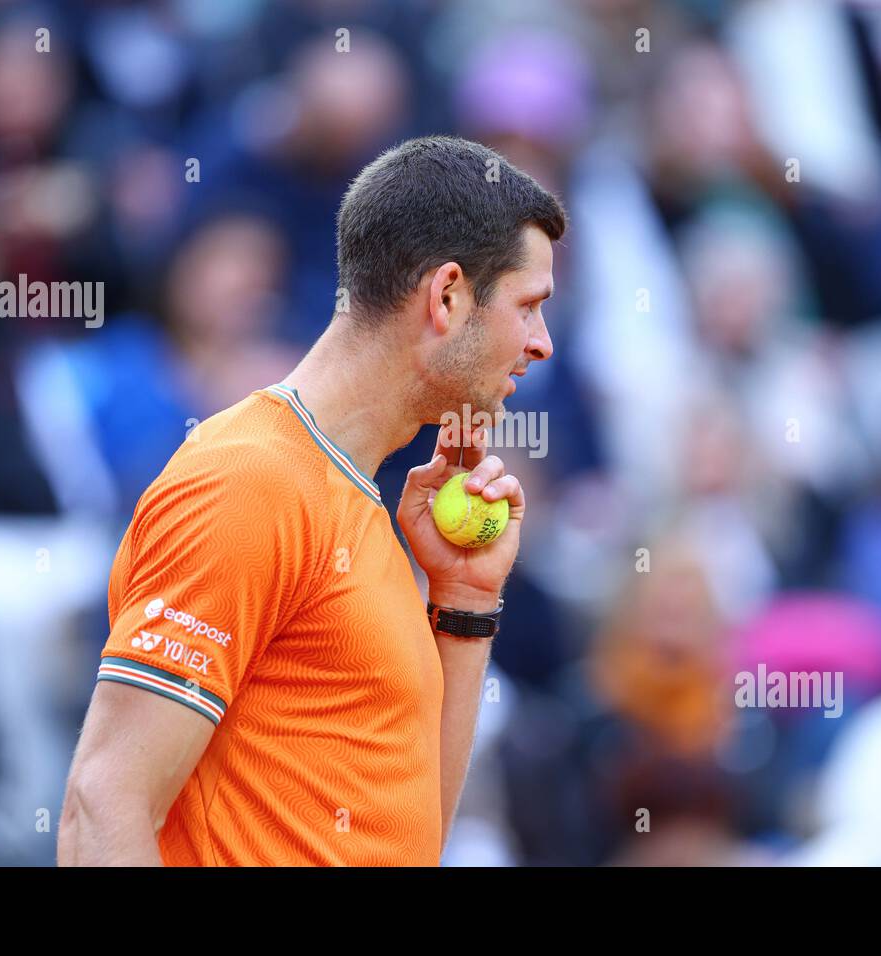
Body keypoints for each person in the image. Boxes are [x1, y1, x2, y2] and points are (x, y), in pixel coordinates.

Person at [57, 135, 565, 865]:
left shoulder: (356, 499)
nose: (542, 343)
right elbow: (100, 806)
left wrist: (465, 604)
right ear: (447, 296)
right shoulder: (248, 481)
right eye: (530, 306)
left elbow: (417, 832)